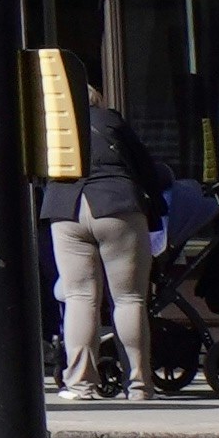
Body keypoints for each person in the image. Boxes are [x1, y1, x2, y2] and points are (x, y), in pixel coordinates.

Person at [41, 63, 156, 402]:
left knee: (79, 297)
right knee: (129, 298)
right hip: (116, 205)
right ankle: (138, 385)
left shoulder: (51, 128)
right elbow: (146, 167)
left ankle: (80, 384)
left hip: (64, 208)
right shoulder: (110, 120)